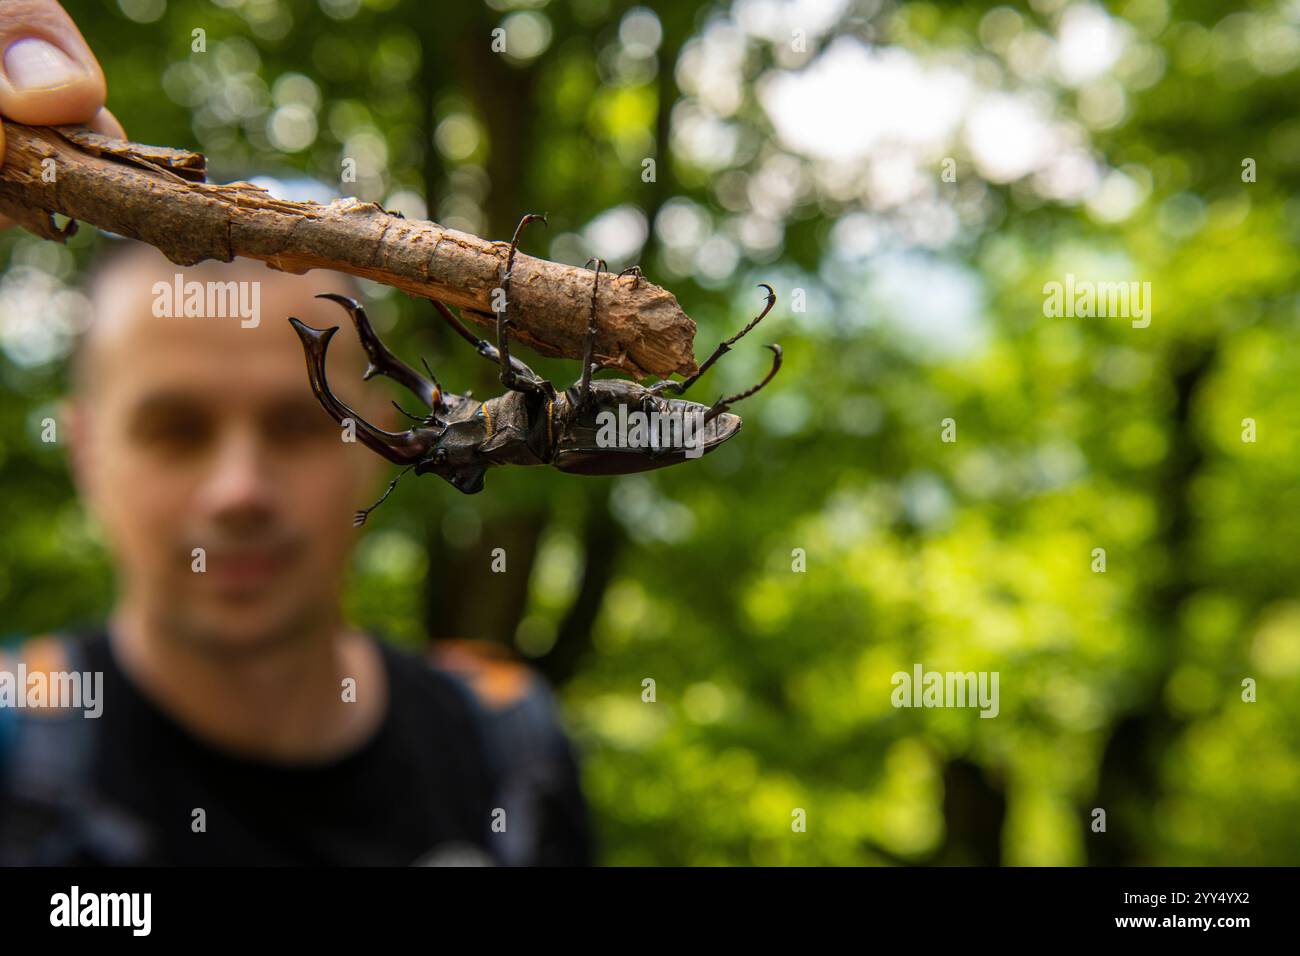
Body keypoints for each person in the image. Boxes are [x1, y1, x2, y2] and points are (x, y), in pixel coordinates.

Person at [0, 2, 592, 866]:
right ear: (86, 447)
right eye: (174, 430)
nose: (239, 490)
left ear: (386, 430)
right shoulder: (19, 742)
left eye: (308, 420)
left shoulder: (511, 752)